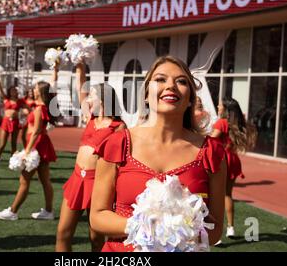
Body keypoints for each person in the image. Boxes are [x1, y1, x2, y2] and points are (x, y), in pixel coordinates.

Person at [90, 56, 227, 252]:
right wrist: (145, 227)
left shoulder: (212, 152)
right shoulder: (118, 143)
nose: (170, 85)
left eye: (181, 81)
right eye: (160, 79)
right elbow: (97, 216)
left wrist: (182, 232)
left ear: (190, 99)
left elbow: (215, 232)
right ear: (146, 94)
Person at [55, 62, 125, 252]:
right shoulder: (91, 119)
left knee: (96, 238)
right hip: (77, 179)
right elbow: (81, 89)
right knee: (63, 233)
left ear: (103, 100)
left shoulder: (119, 126)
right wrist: (80, 67)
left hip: (99, 183)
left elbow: (121, 160)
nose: (88, 100)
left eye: (92, 96)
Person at [0, 80, 57, 221]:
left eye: (35, 88)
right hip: (40, 145)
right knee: (45, 180)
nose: (33, 89)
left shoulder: (40, 109)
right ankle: (48, 211)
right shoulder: (40, 107)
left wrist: (27, 152)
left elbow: (36, 132)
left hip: (37, 146)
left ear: (39, 91)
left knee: (24, 180)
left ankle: (13, 211)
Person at [211, 97, 256, 239]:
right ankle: (230, 228)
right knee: (228, 194)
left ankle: (215, 231)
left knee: (214, 196)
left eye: (220, 105)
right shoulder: (235, 123)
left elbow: (211, 140)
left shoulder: (221, 123)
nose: (218, 107)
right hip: (234, 160)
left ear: (225, 109)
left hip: (221, 160)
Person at [0, 78, 27, 166]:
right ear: (9, 92)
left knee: (13, 143)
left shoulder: (20, 101)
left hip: (15, 122)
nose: (13, 92)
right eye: (12, 90)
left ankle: (12, 160)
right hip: (6, 122)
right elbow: (1, 90)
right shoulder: (5, 98)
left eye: (15, 90)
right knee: (2, 143)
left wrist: (22, 112)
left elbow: (27, 108)